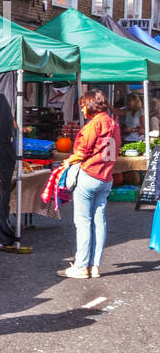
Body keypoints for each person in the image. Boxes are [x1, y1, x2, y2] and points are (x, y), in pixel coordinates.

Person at [58, 89, 120, 279]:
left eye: (84, 105)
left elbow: (82, 151)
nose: (82, 108)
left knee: (83, 222)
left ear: (91, 105)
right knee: (99, 221)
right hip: (106, 178)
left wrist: (69, 161)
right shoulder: (113, 124)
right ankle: (95, 265)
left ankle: (81, 266)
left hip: (89, 176)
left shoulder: (94, 125)